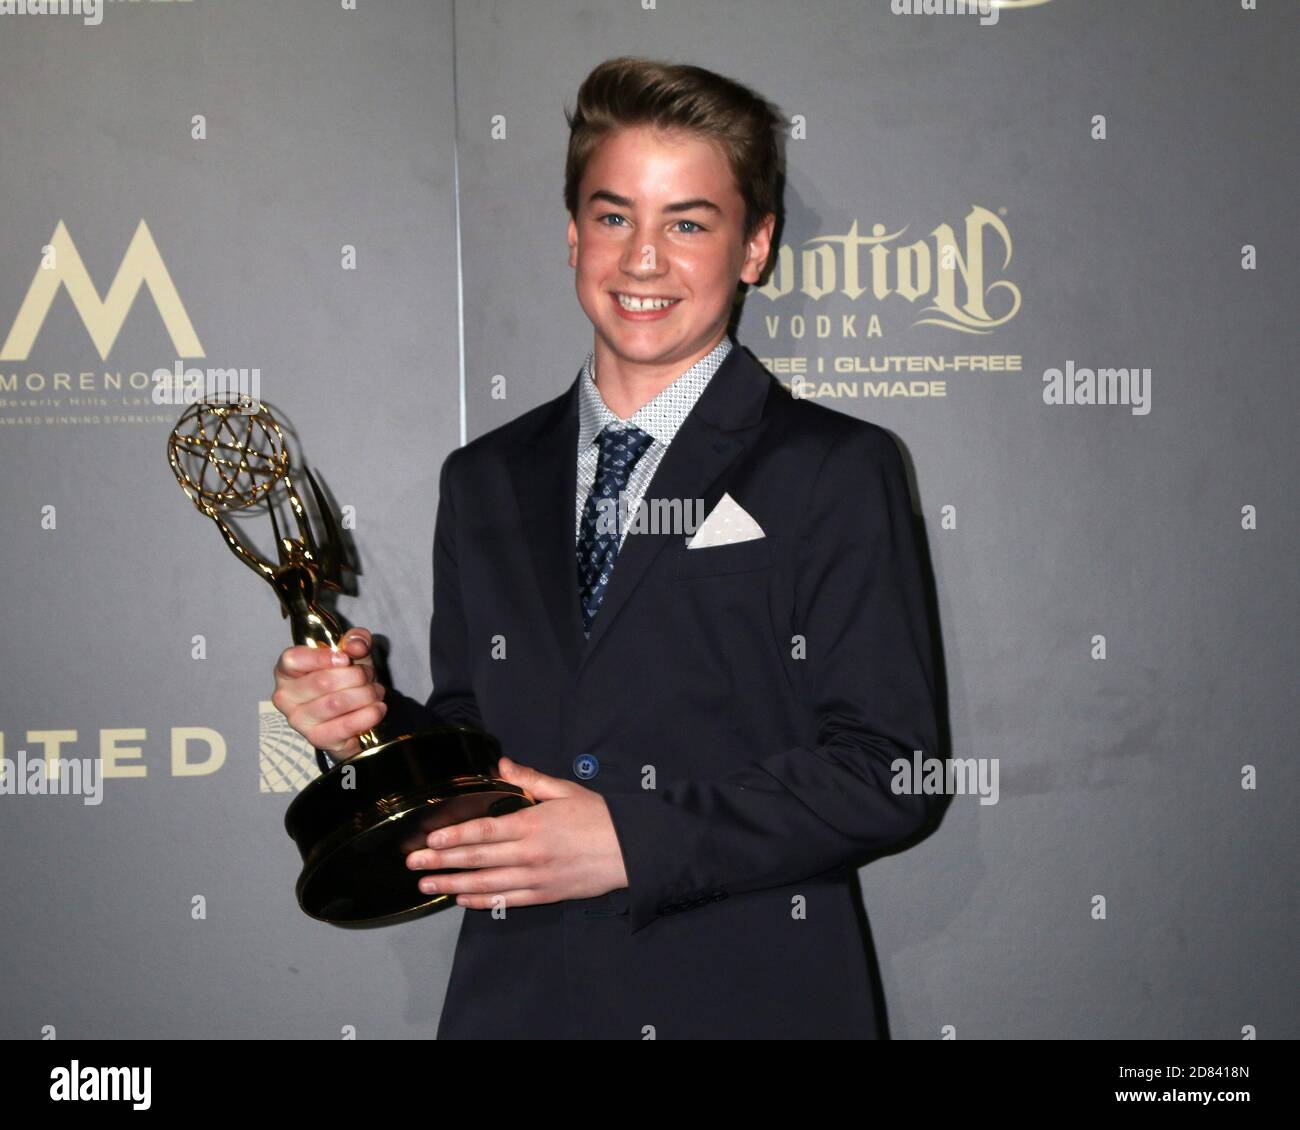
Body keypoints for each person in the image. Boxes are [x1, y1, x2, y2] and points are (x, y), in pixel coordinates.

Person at [271, 56, 940, 1039]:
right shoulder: (485, 476)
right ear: (573, 233)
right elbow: (484, 743)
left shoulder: (833, 466)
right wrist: (369, 726)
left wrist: (632, 839)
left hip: (753, 996)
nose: (642, 259)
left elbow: (888, 769)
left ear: (754, 246)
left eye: (688, 222)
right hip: (522, 998)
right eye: (615, 215)